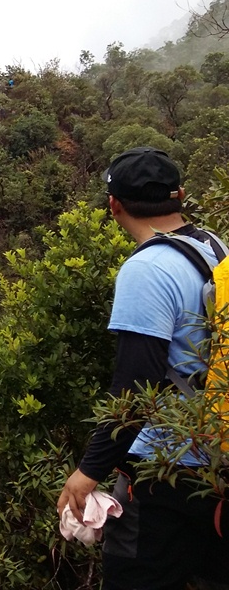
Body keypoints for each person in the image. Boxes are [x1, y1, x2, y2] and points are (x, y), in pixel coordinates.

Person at [57, 146, 229, 590]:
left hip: (164, 471)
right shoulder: (214, 246)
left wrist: (88, 471)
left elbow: (134, 387)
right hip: (216, 454)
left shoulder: (147, 269)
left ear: (114, 205)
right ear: (181, 196)